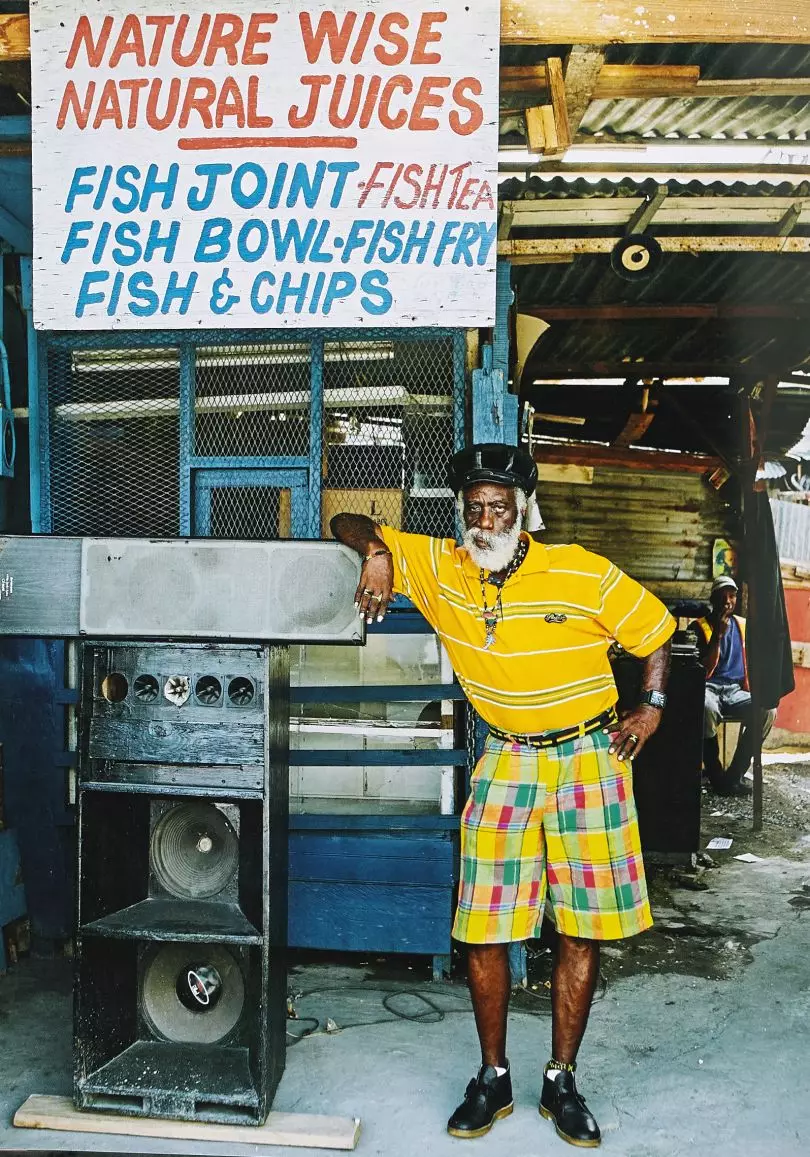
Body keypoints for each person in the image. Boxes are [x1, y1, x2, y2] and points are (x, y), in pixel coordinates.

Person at [331, 443, 675, 1149]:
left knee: (581, 923)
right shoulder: (439, 567)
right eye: (476, 508)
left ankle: (561, 1078)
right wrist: (374, 550)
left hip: (589, 756)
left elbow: (656, 629)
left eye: (500, 507)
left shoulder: (579, 569)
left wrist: (654, 705)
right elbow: (343, 517)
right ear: (462, 512)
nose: (486, 521)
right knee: (483, 924)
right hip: (508, 760)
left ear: (525, 512)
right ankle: (493, 1075)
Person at [690, 575, 774, 797]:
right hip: (709, 688)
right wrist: (717, 636)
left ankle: (734, 776)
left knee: (767, 710)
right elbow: (703, 672)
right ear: (713, 599)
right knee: (705, 707)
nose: (728, 601)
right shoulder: (699, 627)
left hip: (736, 691)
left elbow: (755, 662)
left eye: (732, 596)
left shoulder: (743, 626)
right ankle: (716, 776)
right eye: (722, 596)